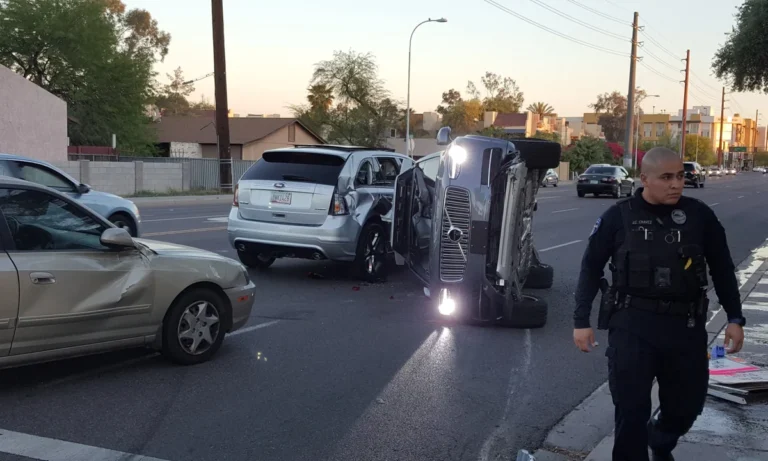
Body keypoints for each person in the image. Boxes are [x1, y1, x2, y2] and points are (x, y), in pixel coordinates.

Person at [572, 147, 746, 461]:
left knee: (686, 407)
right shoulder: (618, 217)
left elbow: (722, 268)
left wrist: (734, 316)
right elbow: (590, 268)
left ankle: (661, 438)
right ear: (645, 179)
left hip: (685, 327)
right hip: (632, 325)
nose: (676, 184)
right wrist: (580, 320)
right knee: (630, 411)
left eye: (680, 176)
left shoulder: (699, 216)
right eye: (666, 177)